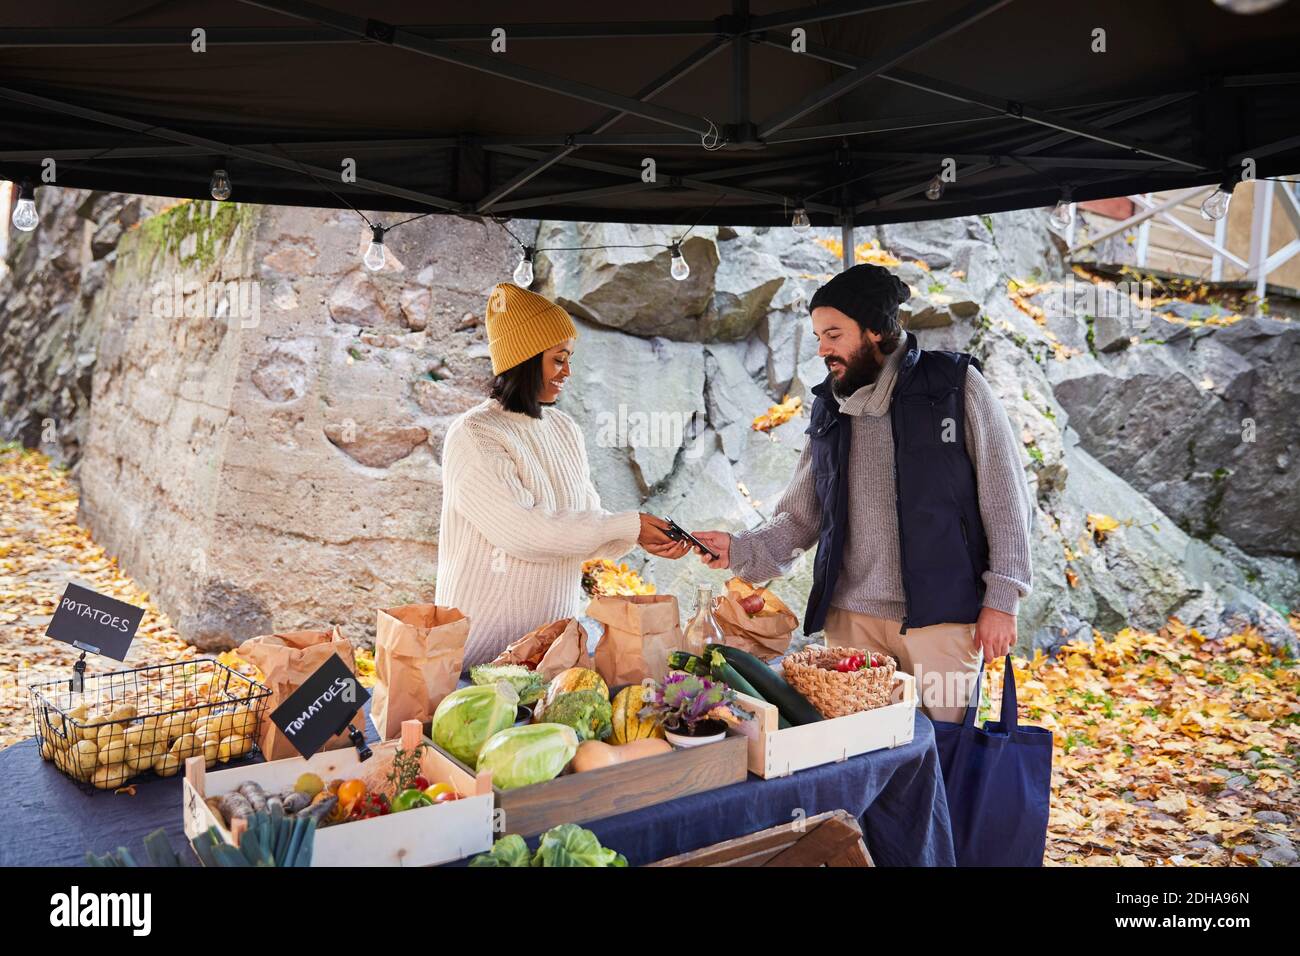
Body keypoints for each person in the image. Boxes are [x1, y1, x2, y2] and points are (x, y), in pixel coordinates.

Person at [689, 263, 1033, 722]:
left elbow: (1005, 499)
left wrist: (1002, 601)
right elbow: (801, 517)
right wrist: (739, 548)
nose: (822, 350)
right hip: (851, 620)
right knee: (859, 758)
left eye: (833, 334)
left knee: (944, 756)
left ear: (875, 330)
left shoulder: (955, 387)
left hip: (942, 620)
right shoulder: (830, 405)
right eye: (817, 337)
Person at [436, 283, 690, 666]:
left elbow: (582, 525)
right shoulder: (475, 434)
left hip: (552, 648)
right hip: (482, 654)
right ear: (524, 359)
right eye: (558, 359)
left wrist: (638, 536)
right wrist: (629, 525)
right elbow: (523, 532)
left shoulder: (564, 429)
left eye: (569, 359)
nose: (568, 371)